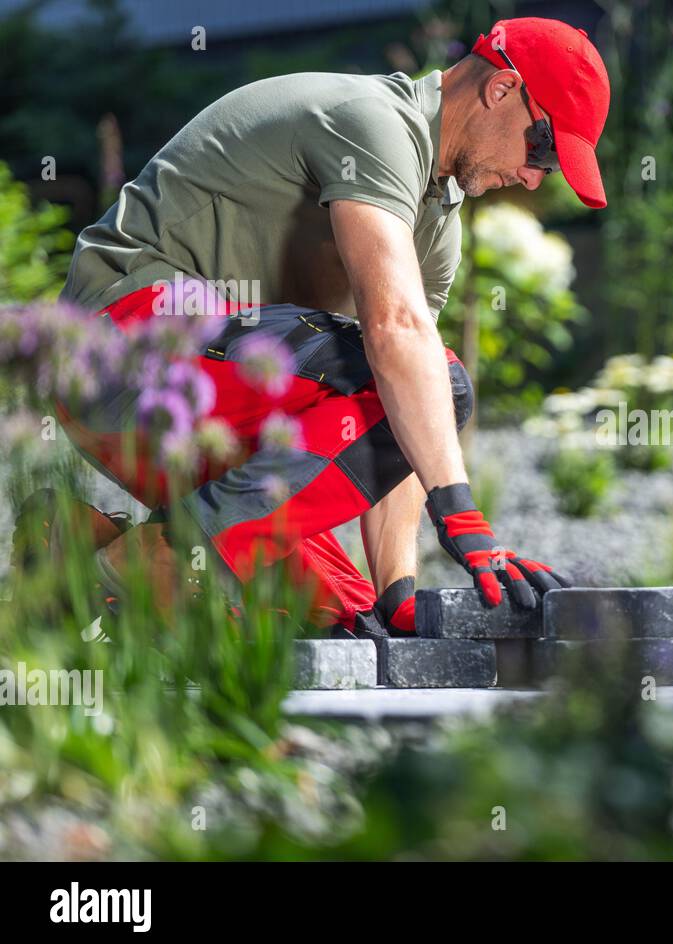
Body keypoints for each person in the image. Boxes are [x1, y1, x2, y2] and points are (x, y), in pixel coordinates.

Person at [40, 16, 611, 636]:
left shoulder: (436, 228)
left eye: (549, 169)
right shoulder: (373, 121)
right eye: (543, 148)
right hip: (120, 347)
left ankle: (72, 552)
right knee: (440, 376)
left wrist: (400, 596)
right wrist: (462, 514)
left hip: (205, 404)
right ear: (502, 89)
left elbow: (405, 401)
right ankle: (155, 561)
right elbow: (396, 336)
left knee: (342, 618)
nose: (533, 176)